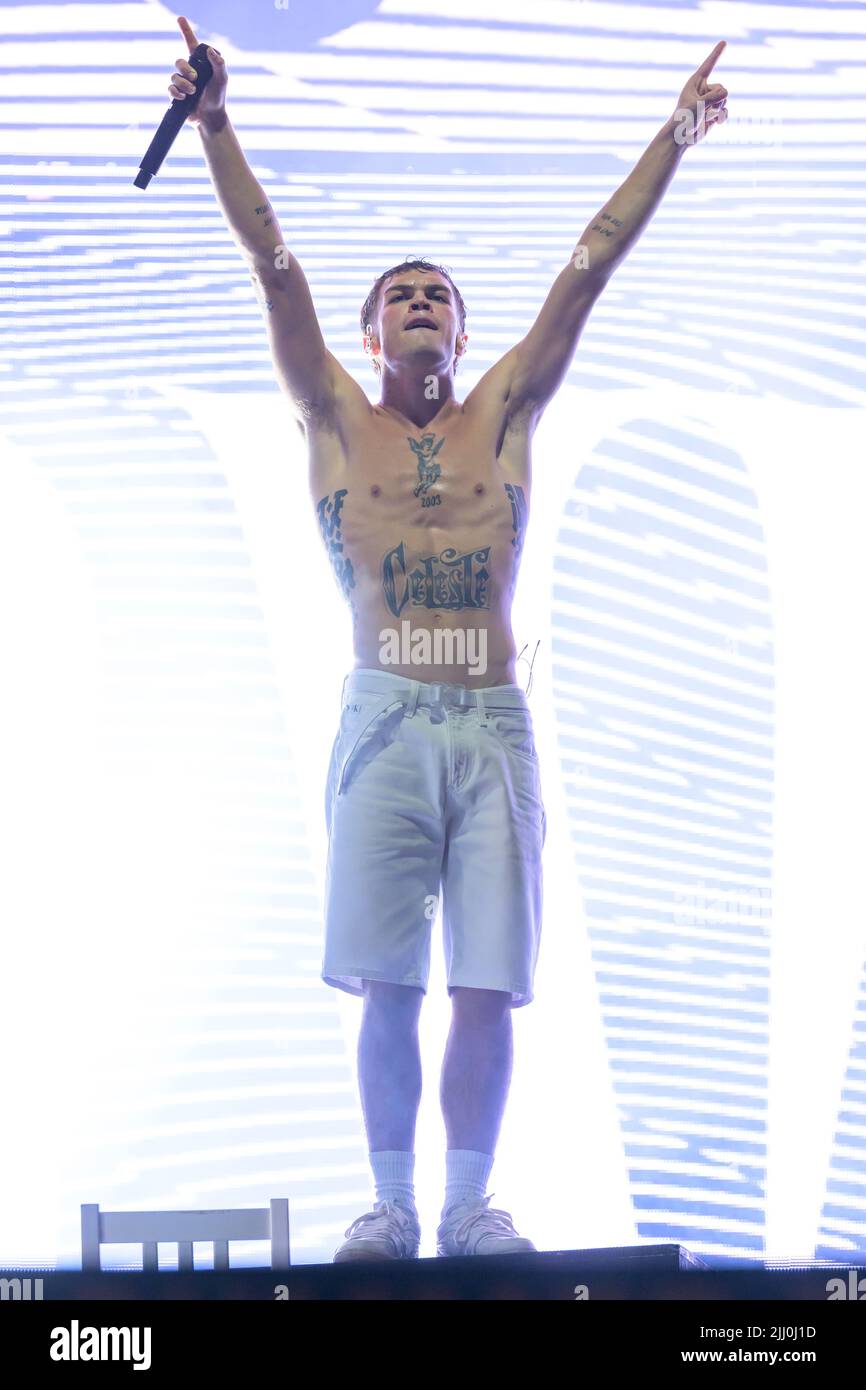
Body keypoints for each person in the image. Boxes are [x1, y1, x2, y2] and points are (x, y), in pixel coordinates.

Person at [168, 16, 728, 1261]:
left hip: (490, 718)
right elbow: (274, 266)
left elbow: (586, 265)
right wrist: (215, 125)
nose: (420, 305)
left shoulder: (504, 411)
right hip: (382, 715)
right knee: (387, 980)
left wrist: (672, 137)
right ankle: (391, 1201)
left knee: (485, 978)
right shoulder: (330, 416)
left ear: (460, 334)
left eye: (439, 296)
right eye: (399, 297)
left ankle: (472, 1201)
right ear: (372, 335)